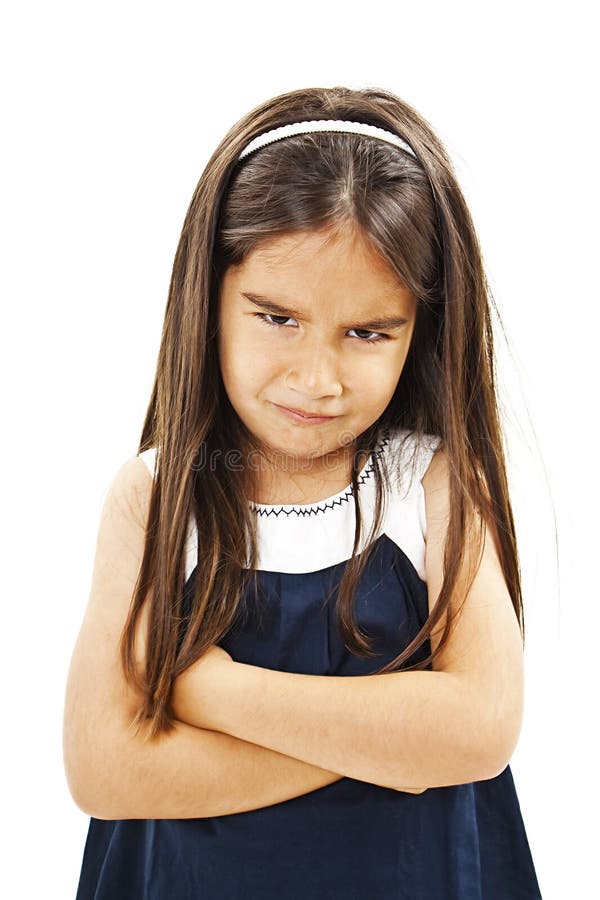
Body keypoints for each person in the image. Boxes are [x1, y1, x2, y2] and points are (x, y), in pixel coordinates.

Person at [63, 85, 544, 899]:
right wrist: (390, 746)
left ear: (418, 330)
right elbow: (105, 769)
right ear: (209, 295)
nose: (316, 380)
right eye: (276, 316)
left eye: (367, 332)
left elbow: (479, 730)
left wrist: (212, 690)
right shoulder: (154, 500)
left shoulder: (428, 485)